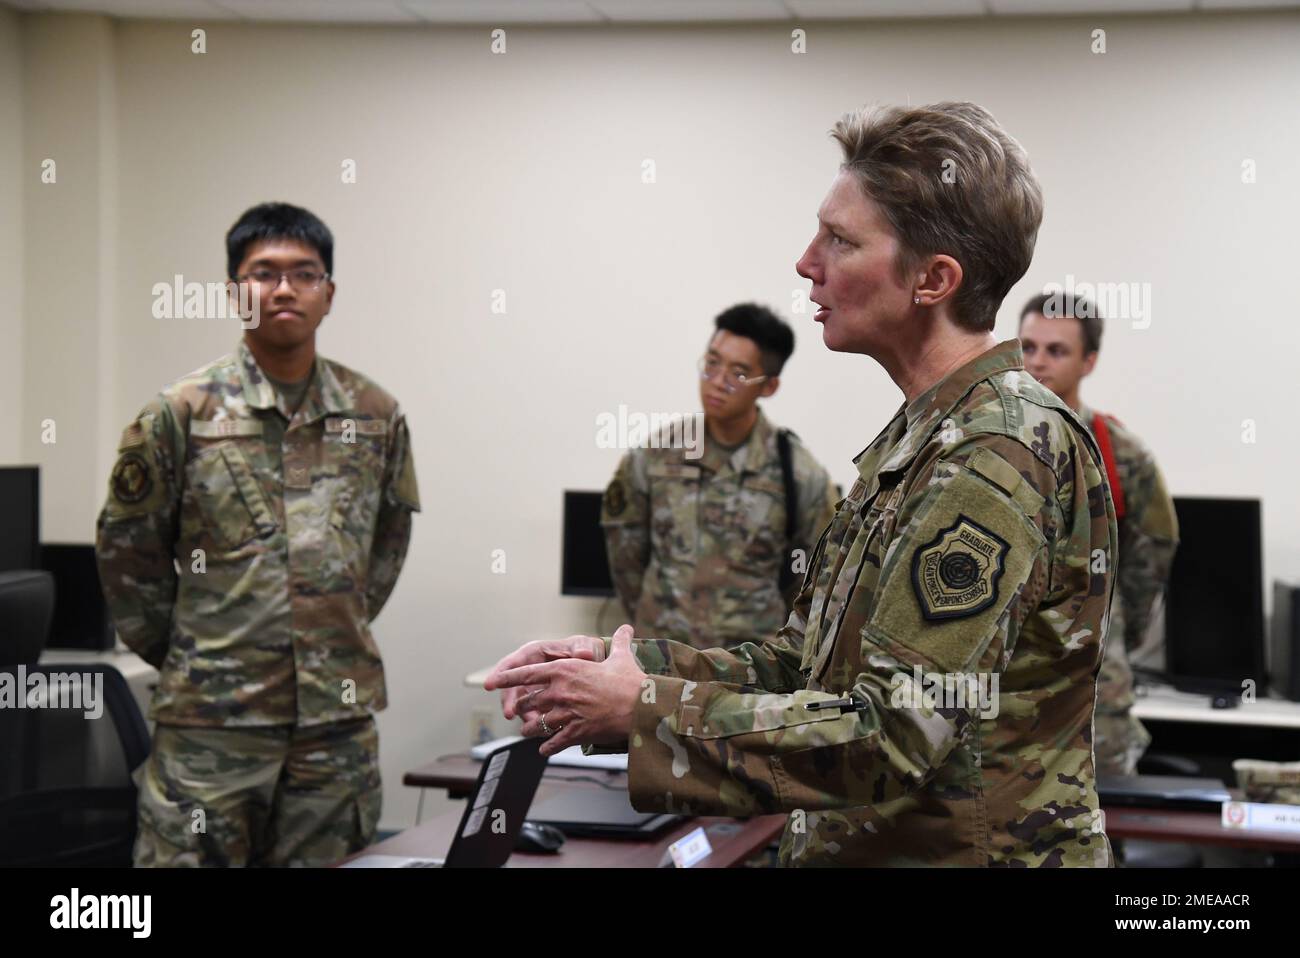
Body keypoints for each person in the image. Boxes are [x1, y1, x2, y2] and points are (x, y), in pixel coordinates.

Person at [487, 102, 1118, 867]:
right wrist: (628, 670)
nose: (805, 262)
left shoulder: (997, 450)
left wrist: (643, 712)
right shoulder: (925, 438)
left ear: (933, 279)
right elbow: (802, 669)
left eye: (840, 240)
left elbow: (892, 735)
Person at [95, 202, 420, 866]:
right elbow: (128, 555)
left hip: (333, 727)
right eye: (262, 273)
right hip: (211, 725)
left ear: (328, 294)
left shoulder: (376, 414)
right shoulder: (180, 412)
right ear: (233, 291)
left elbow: (385, 547)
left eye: (303, 274)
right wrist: (196, 652)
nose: (282, 290)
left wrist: (328, 629)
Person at [601, 303, 837, 650]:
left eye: (738, 373)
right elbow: (625, 551)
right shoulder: (655, 455)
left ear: (769, 386)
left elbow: (814, 578)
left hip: (746, 674)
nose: (717, 382)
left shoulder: (800, 475)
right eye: (711, 364)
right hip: (661, 659)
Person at [1020, 292, 1178, 777]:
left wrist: (1111, 631)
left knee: (1104, 826)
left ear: (1089, 361)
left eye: (1056, 350)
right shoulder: (985, 440)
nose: (1037, 362)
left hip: (1093, 688)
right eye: (1027, 347)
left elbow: (1150, 559)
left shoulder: (1121, 453)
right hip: (1001, 688)